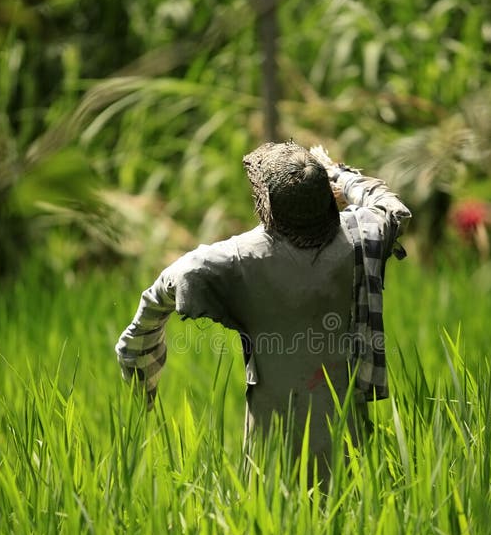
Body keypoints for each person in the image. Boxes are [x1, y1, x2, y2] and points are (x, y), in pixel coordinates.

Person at [115, 141, 411, 480]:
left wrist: (139, 370)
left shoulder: (234, 259)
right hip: (349, 446)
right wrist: (339, 174)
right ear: (327, 198)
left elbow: (156, 298)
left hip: (271, 456)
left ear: (266, 204)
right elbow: (392, 207)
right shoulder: (361, 237)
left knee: (273, 522)